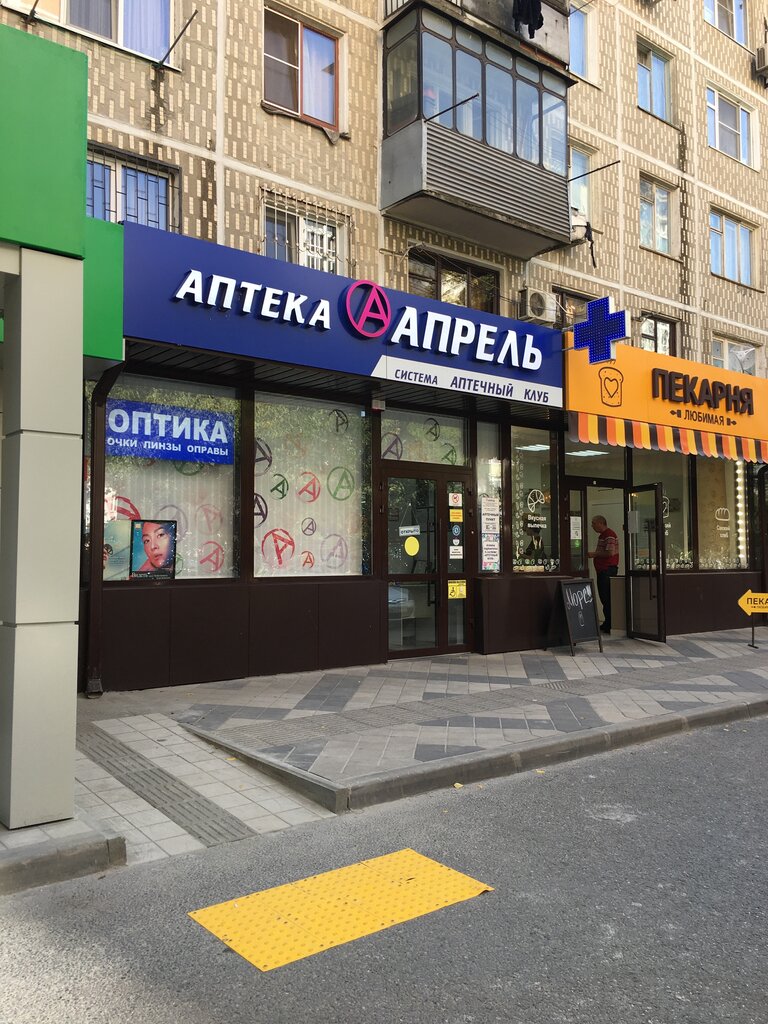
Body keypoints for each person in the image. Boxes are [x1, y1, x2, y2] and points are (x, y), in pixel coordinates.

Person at [588, 515, 619, 634]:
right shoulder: (603, 535)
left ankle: (610, 623)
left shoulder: (609, 535)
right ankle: (607, 622)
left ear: (601, 523)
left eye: (593, 523)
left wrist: (594, 554)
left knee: (606, 597)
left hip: (607, 570)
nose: (592, 526)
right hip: (602, 570)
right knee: (604, 597)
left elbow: (610, 553)